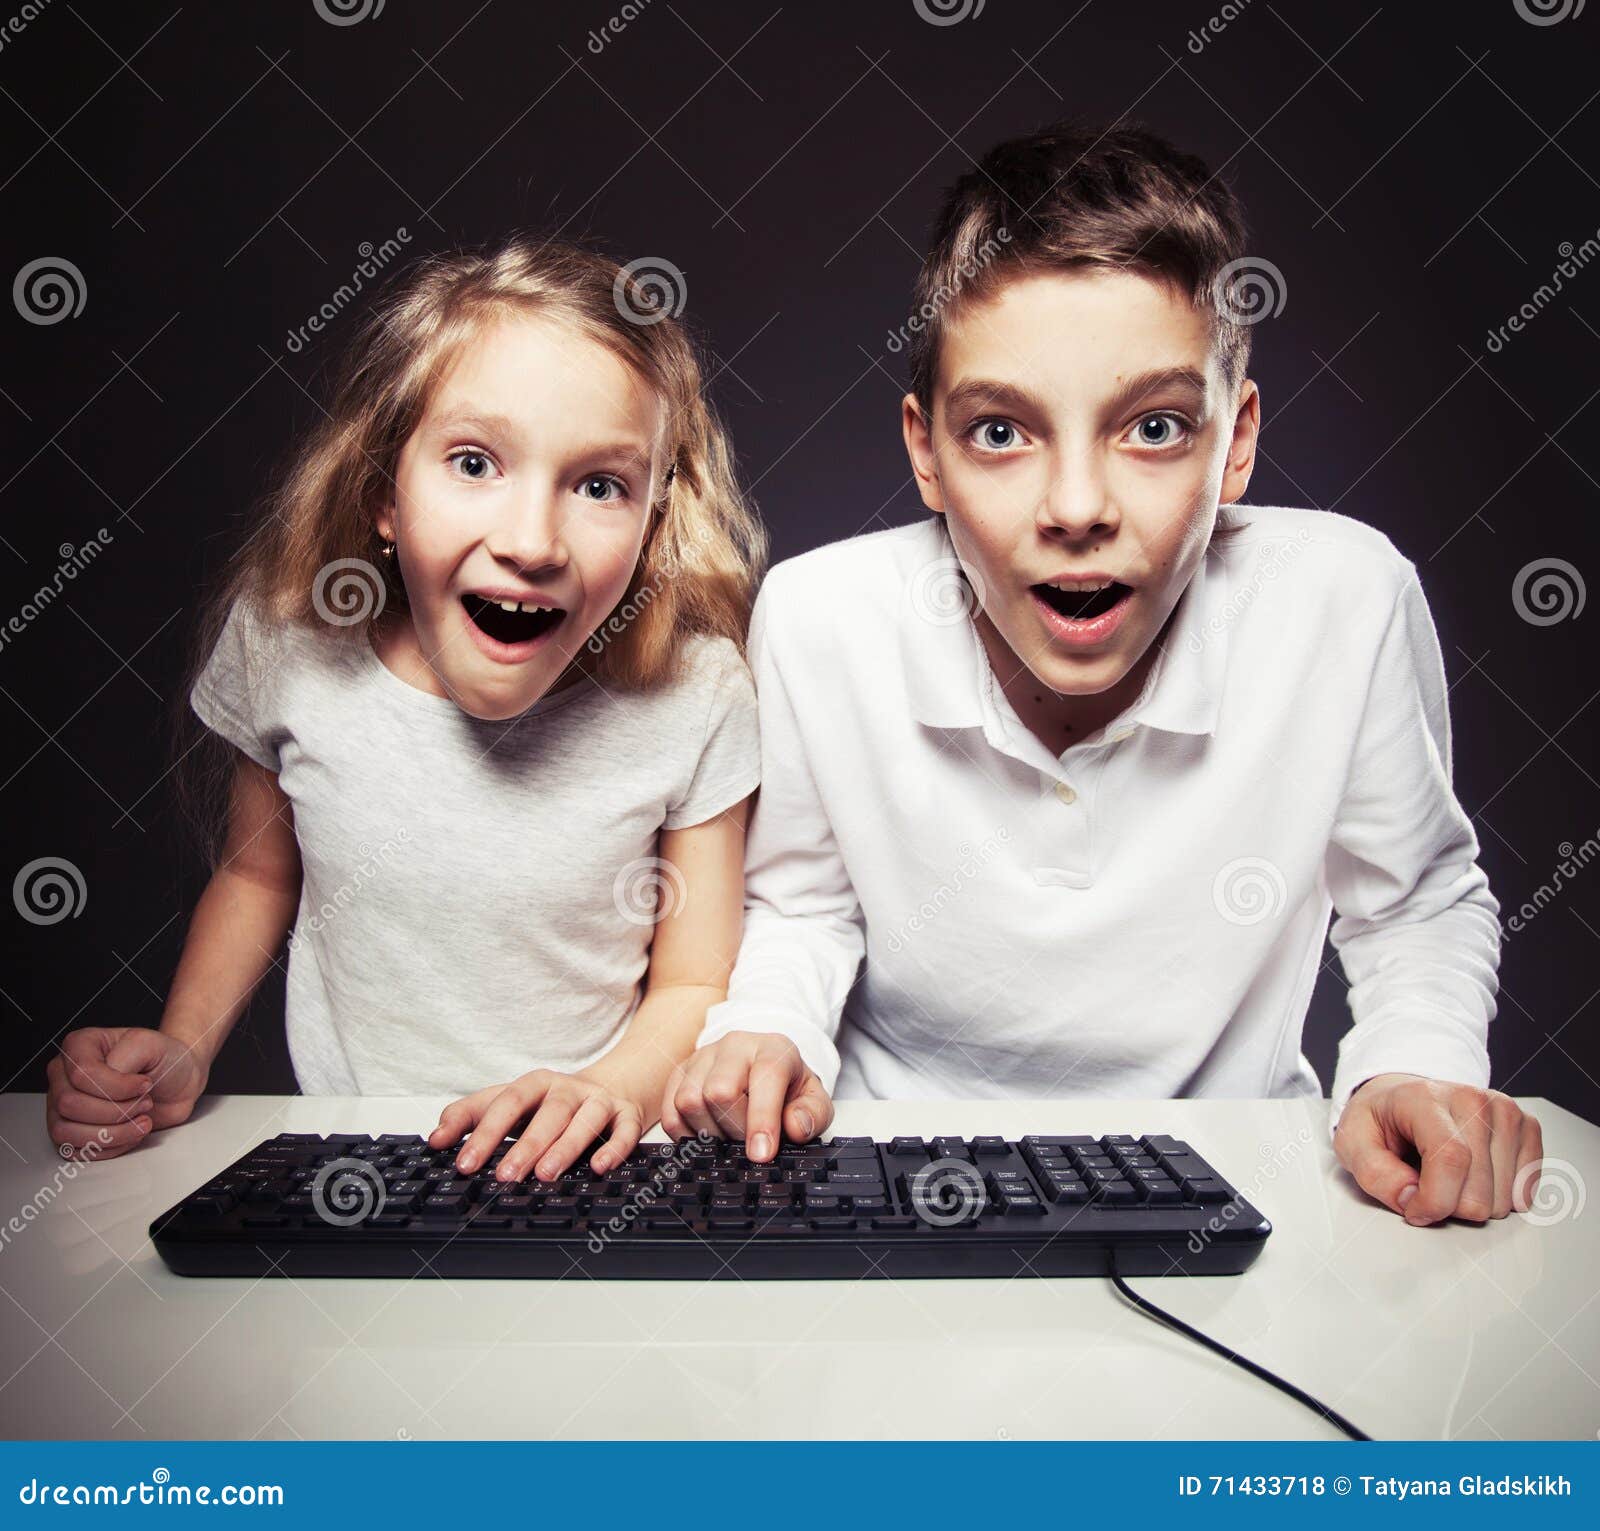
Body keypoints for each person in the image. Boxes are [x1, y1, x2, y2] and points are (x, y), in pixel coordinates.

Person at [665, 121, 1543, 1227]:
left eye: (1155, 427)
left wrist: (1415, 1064)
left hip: (1239, 1184)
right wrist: (770, 1031)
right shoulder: (821, 616)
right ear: (924, 450)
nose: (1076, 507)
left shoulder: (1342, 601)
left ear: (1236, 443)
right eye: (999, 432)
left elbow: (1413, 903)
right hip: (887, 1170)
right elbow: (801, 904)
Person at [45, 236, 764, 1186]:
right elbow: (258, 877)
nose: (531, 541)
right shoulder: (291, 646)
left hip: (597, 1168)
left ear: (653, 521)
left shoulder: (695, 691)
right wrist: (181, 1049)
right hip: (357, 1170)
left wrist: (607, 1092)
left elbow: (692, 976)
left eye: (600, 485)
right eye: (474, 463)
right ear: (385, 490)